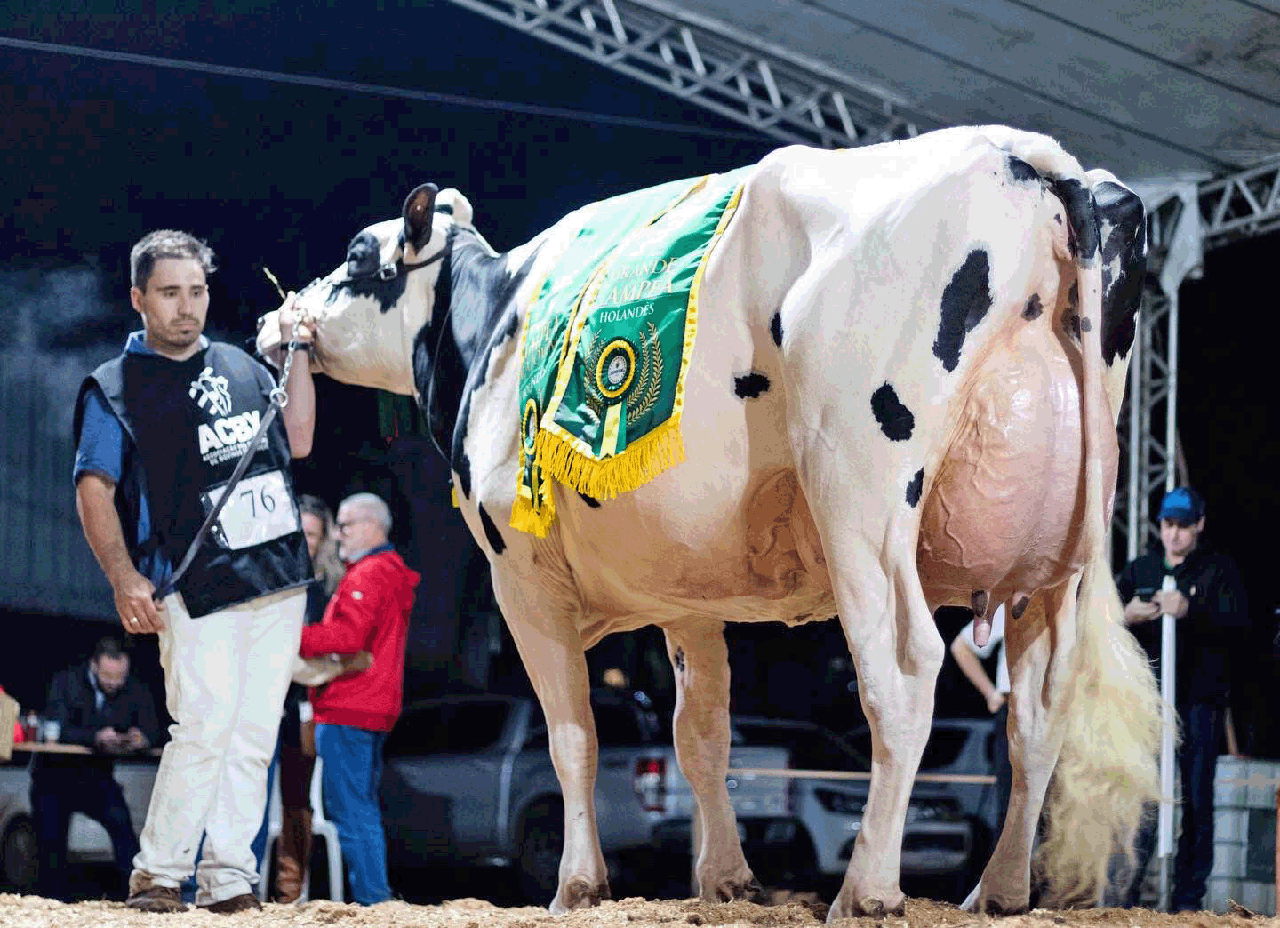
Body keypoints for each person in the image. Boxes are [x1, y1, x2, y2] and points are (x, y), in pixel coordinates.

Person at [72, 229, 316, 914]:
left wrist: (296, 352)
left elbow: (296, 440)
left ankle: (231, 878)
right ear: (138, 298)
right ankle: (159, 873)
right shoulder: (114, 388)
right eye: (170, 292)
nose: (187, 307)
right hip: (191, 580)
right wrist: (124, 577)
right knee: (204, 725)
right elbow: (93, 489)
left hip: (277, 575)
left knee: (253, 734)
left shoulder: (242, 365)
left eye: (198, 291)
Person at [1115, 487, 1249, 912]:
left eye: (1183, 527)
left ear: (1199, 526)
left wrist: (1190, 608)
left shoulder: (1217, 569)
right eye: (1168, 526)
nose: (1174, 535)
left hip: (1199, 702)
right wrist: (1127, 615)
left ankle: (1188, 901)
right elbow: (1104, 620)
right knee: (1144, 800)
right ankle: (1129, 896)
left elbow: (1239, 624)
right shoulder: (1142, 568)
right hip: (1150, 704)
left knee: (1195, 800)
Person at [299, 492, 418, 905]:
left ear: (372, 526)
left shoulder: (369, 574)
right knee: (360, 808)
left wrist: (285, 638)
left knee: (350, 812)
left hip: (349, 706)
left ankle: (374, 902)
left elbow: (348, 637)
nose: (336, 535)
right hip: (372, 706)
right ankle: (376, 898)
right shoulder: (390, 571)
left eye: (344, 526)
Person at [253, 494, 344, 902]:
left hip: (303, 704)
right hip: (260, 697)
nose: (305, 541)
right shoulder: (266, 573)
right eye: (300, 532)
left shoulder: (329, 587)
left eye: (313, 534)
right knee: (250, 787)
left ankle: (289, 893)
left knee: (297, 796)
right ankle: (240, 884)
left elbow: (330, 646)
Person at [29, 637, 160, 901]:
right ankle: (52, 904)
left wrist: (141, 738)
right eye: (108, 676)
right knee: (51, 846)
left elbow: (154, 729)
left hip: (96, 779)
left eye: (119, 677)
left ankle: (136, 896)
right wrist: (95, 737)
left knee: (123, 829)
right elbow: (54, 729)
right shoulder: (66, 682)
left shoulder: (134, 689)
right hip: (54, 777)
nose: (114, 683)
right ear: (94, 665)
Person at [949, 603, 1012, 835]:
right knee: (1010, 805)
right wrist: (991, 694)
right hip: (1016, 709)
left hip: (1063, 709)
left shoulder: (1077, 601)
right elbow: (961, 646)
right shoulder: (1008, 603)